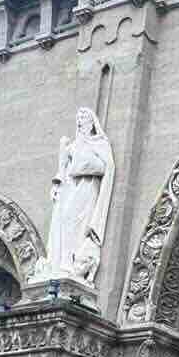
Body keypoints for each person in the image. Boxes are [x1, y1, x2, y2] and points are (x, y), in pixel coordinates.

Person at [41, 107, 115, 284]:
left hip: (88, 188)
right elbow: (63, 169)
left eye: (85, 118)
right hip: (71, 188)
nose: (81, 122)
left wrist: (80, 163)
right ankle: (63, 263)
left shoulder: (99, 143)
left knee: (77, 224)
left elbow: (107, 167)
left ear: (92, 122)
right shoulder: (72, 145)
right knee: (64, 220)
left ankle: (73, 263)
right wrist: (57, 185)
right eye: (79, 119)